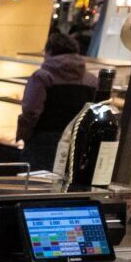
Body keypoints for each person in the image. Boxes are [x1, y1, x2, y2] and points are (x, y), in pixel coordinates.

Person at [18, 31, 97, 172]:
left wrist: (24, 135)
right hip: (77, 140)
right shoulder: (91, 80)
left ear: (49, 51)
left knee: (36, 179)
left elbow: (31, 111)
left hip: (44, 140)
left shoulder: (42, 77)